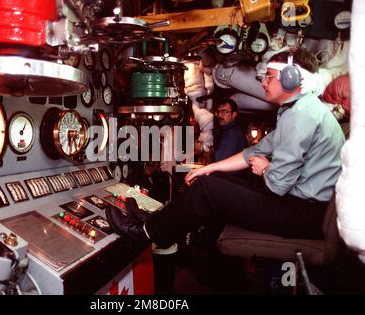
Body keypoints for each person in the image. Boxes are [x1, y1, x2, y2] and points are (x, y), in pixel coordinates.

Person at [106, 49, 345, 251]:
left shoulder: (302, 115)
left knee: (209, 189)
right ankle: (154, 222)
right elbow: (252, 152)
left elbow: (278, 184)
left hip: (302, 215)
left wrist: (265, 168)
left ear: (291, 79)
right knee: (213, 178)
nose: (262, 82)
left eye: (269, 77)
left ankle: (145, 233)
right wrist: (208, 168)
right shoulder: (298, 110)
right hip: (302, 209)